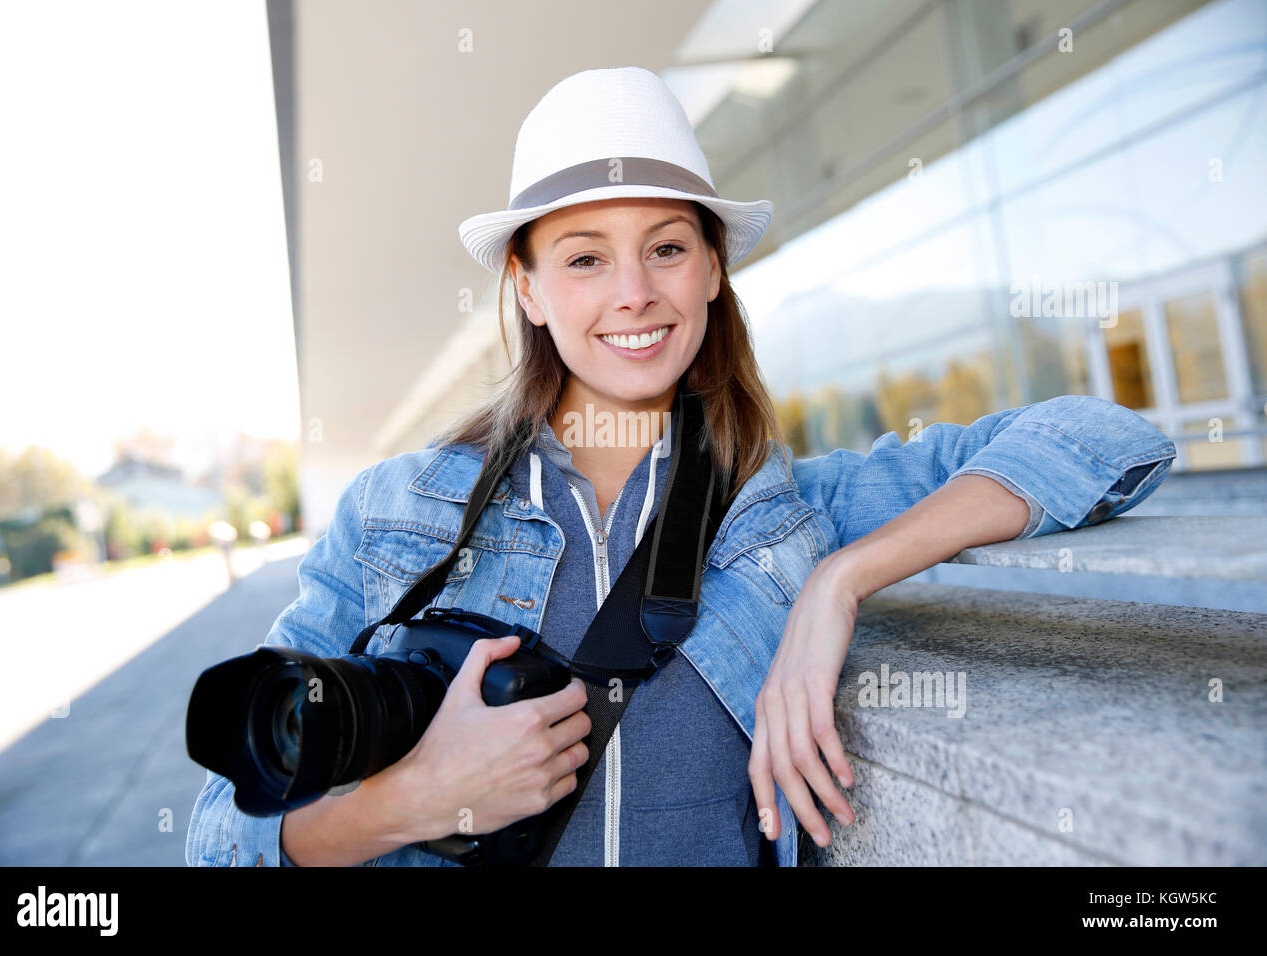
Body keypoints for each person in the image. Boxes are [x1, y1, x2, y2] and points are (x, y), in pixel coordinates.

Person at [185, 66, 1177, 868]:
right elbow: (215, 838)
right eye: (583, 258)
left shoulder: (782, 514)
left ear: (710, 269)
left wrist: (839, 578)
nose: (633, 293)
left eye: (665, 247)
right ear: (526, 288)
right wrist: (413, 801)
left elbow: (1104, 437)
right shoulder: (398, 516)